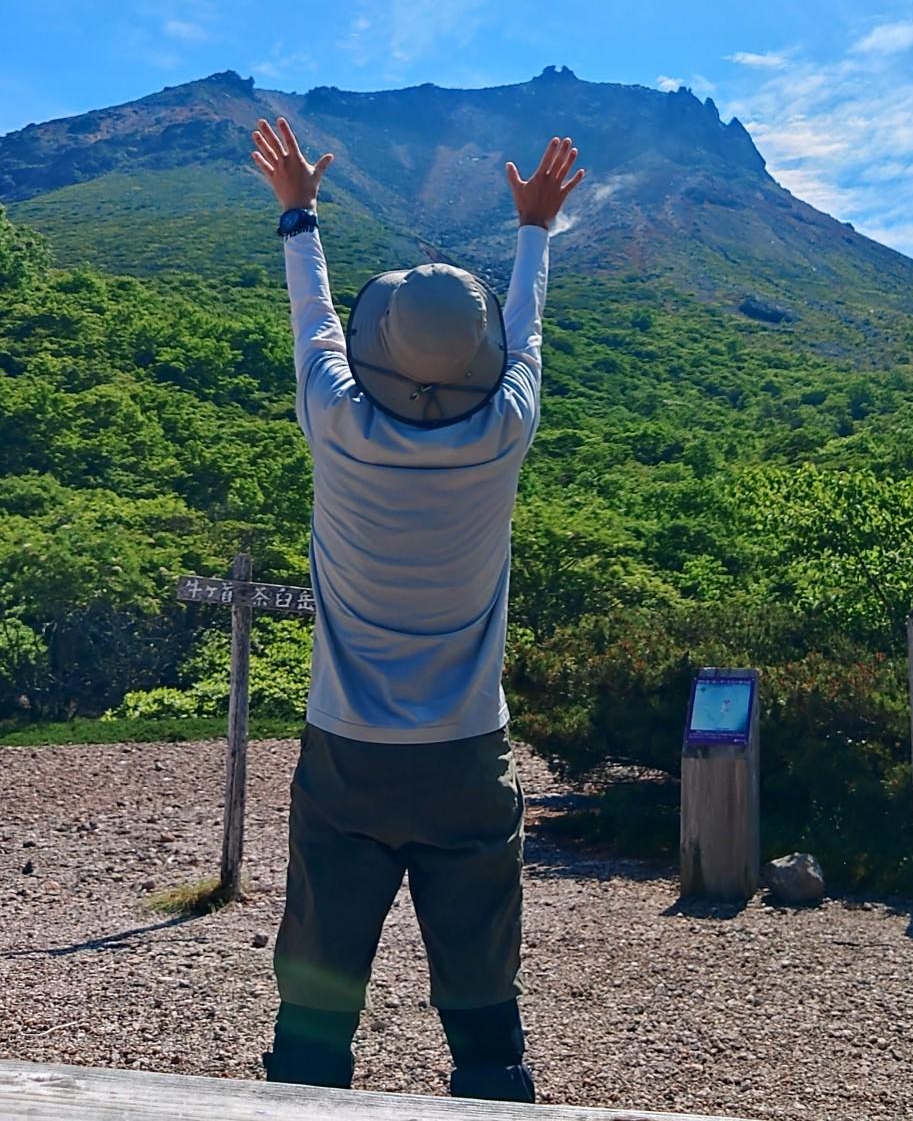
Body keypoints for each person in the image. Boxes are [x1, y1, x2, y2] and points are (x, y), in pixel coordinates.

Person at [249, 116, 584, 1104]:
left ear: (373, 353)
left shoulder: (335, 417)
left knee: (316, 988)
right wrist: (537, 228)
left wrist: (299, 211)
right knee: (483, 993)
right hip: (467, 754)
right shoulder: (504, 429)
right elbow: (527, 330)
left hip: (345, 755)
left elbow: (312, 315)